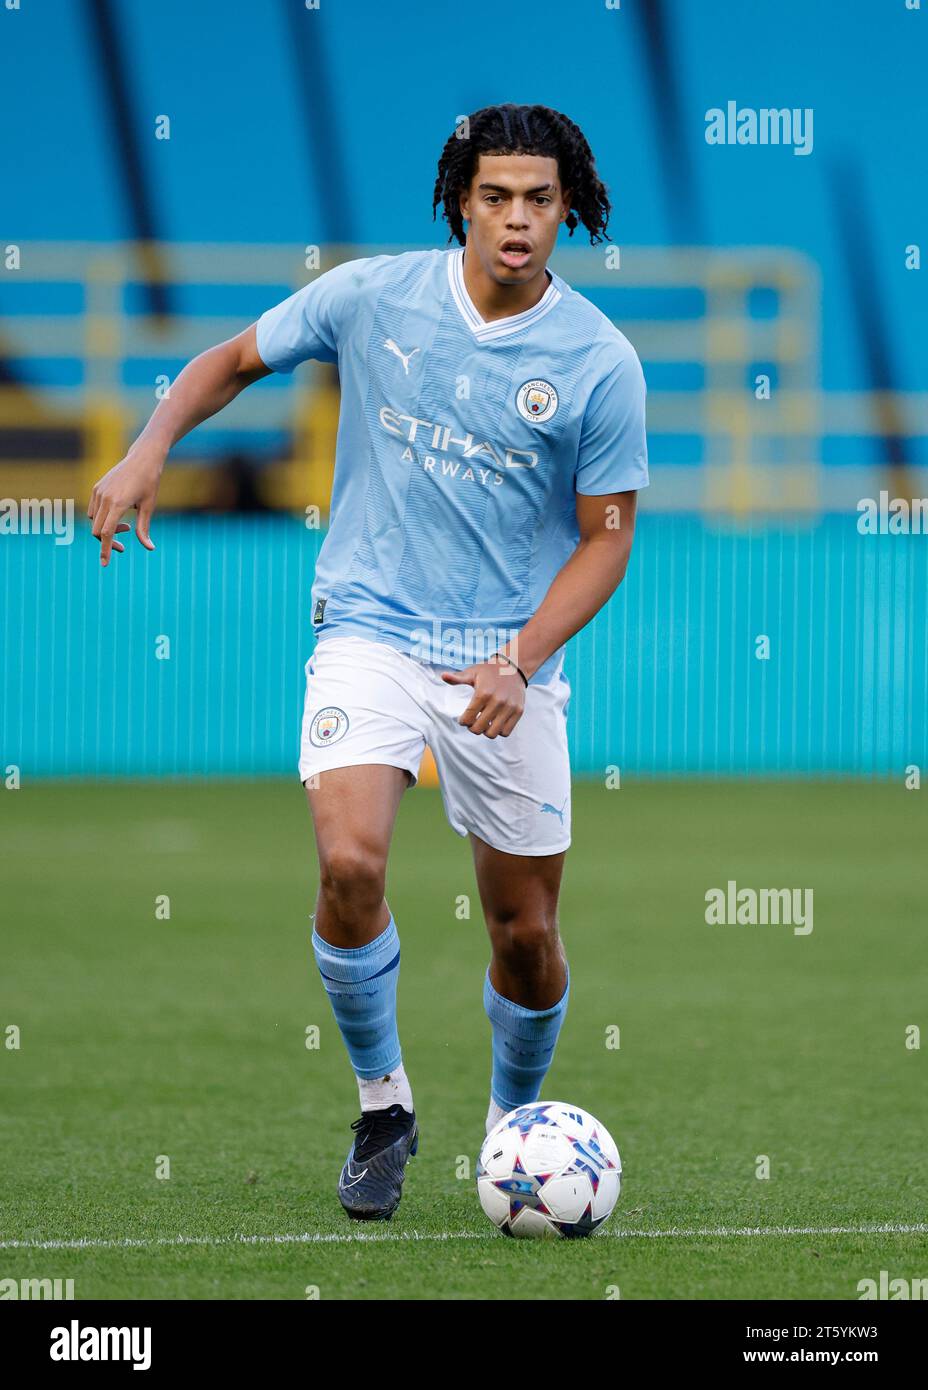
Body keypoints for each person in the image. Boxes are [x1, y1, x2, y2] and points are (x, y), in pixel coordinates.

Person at [87, 103, 648, 1223]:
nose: (517, 221)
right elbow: (234, 359)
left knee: (524, 935)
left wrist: (523, 659)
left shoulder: (598, 362)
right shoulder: (371, 295)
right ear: (459, 203)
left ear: (568, 208)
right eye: (496, 197)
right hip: (370, 631)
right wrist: (149, 447)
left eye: (540, 199)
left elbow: (606, 539)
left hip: (501, 666)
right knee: (349, 864)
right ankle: (383, 1105)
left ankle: (511, 1128)